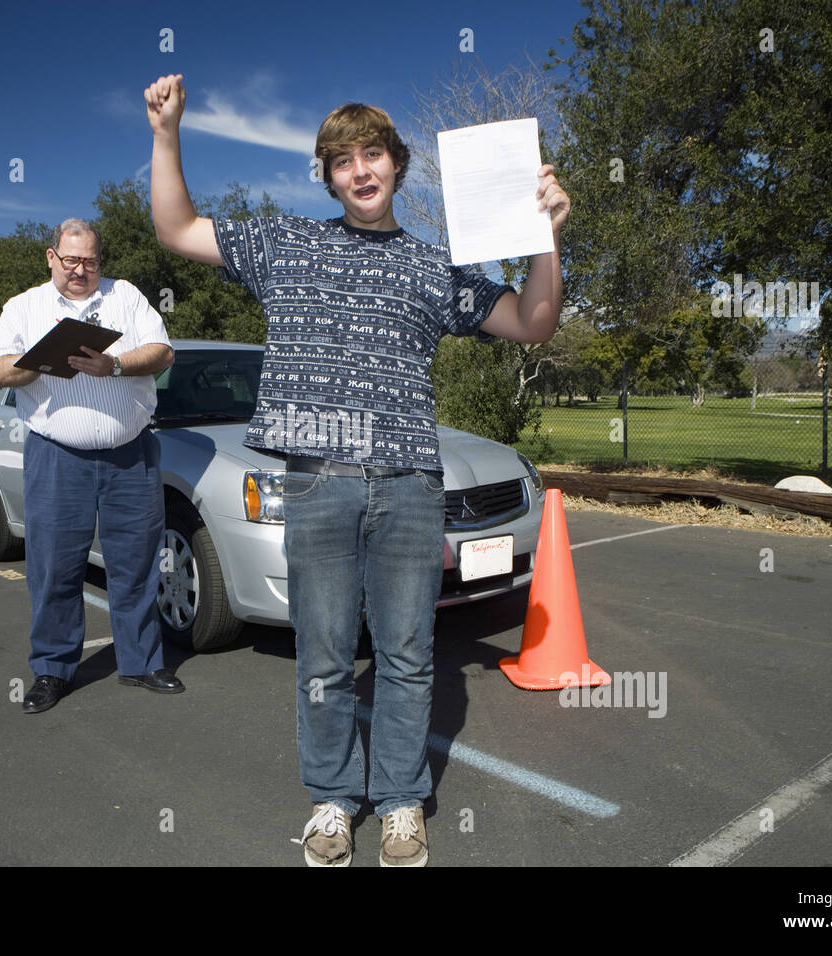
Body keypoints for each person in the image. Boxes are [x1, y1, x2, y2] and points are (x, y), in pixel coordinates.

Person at [145, 74, 569, 866]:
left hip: (410, 484)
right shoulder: (287, 244)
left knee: (407, 654)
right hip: (316, 483)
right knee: (327, 656)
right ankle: (334, 801)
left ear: (398, 165)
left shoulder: (434, 268)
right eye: (342, 161)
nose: (360, 171)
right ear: (328, 175)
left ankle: (402, 801)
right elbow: (175, 228)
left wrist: (547, 233)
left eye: (373, 154)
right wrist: (167, 133)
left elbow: (534, 321)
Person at [0, 217, 183, 714]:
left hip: (130, 453)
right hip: (57, 456)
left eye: (90, 261)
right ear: (51, 257)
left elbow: (162, 351)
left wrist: (113, 364)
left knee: (136, 564)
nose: (80, 270)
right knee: (54, 567)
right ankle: (52, 670)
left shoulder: (126, 296)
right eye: (70, 260)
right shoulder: (24, 307)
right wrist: (47, 357)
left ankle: (142, 663)